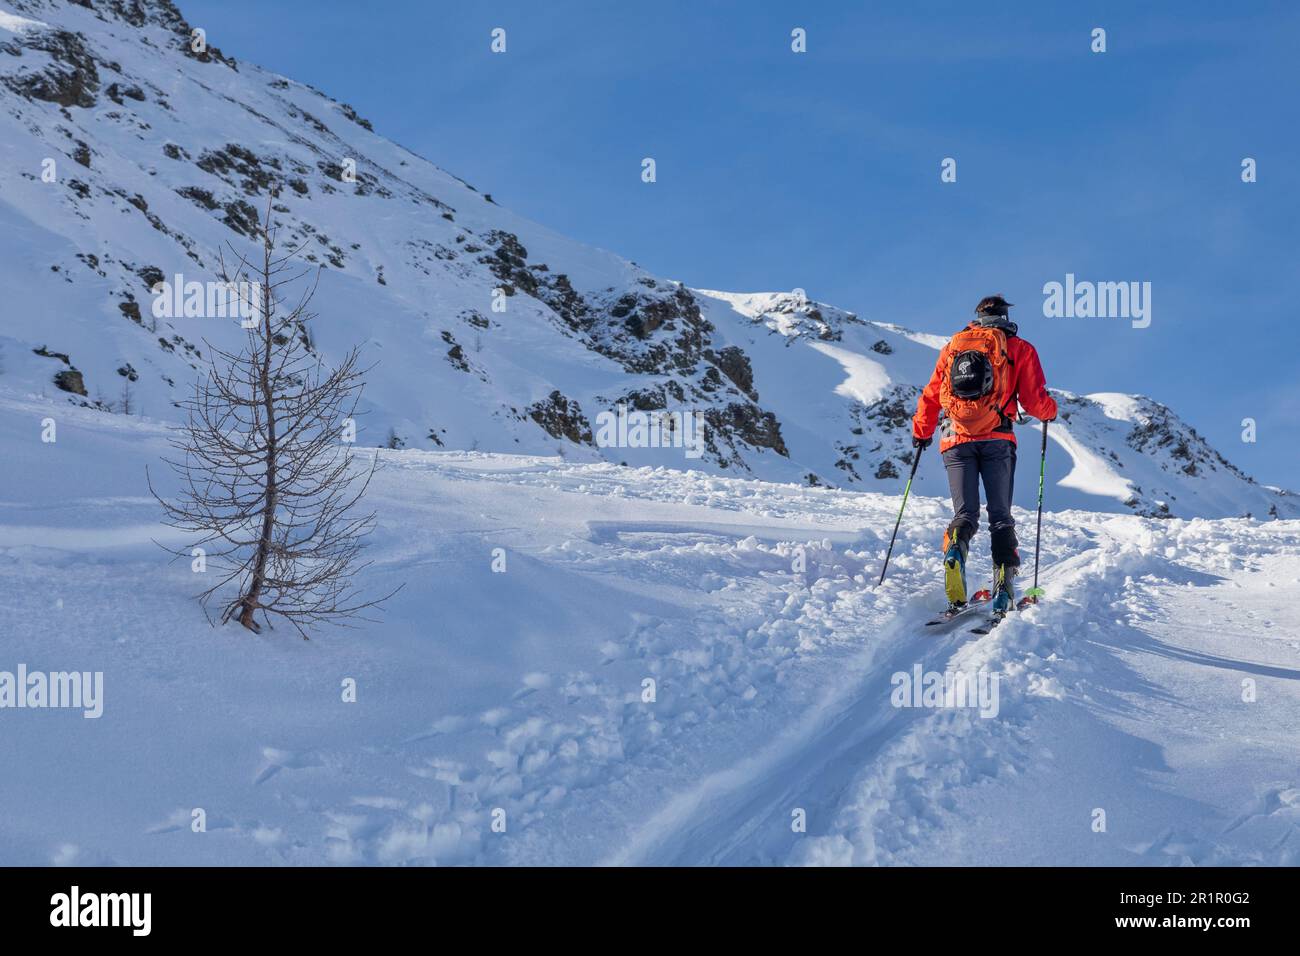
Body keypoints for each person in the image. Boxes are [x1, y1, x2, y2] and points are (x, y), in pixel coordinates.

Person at [911, 295, 1057, 614]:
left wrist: (921, 432)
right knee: (1000, 517)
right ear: (1005, 316)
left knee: (965, 514)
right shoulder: (1019, 348)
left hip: (955, 438)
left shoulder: (954, 347)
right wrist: (1050, 411)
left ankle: (955, 555)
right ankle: (1003, 587)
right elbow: (1034, 400)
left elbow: (931, 394)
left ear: (976, 316)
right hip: (997, 438)